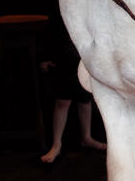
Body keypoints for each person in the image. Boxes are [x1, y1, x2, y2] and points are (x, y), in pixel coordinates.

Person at [39, 10, 106, 163]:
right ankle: (57, 144)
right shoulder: (62, 8)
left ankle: (86, 137)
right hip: (64, 56)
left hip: (83, 57)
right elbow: (50, 32)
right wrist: (44, 57)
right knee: (63, 100)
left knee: (85, 99)